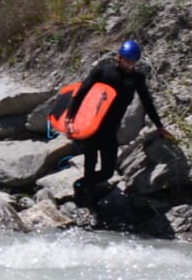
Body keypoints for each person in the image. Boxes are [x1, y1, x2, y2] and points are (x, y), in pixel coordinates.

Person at [64, 39, 171, 204]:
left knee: (107, 172)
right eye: (127, 61)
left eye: (133, 62)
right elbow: (81, 94)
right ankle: (85, 199)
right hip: (92, 127)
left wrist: (159, 126)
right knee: (89, 166)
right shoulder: (103, 72)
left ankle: (81, 185)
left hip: (111, 129)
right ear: (119, 57)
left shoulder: (137, 78)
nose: (129, 65)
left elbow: (147, 102)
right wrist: (70, 119)